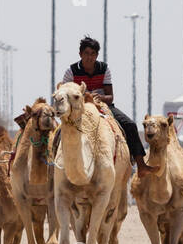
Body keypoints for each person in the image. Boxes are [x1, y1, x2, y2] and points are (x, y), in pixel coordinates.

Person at [60, 36, 153, 174]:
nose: (89, 57)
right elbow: (64, 95)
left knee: (130, 125)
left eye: (93, 54)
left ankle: (140, 164)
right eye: (86, 53)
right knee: (58, 132)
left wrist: (101, 97)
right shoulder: (71, 72)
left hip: (103, 106)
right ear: (80, 54)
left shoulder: (104, 69)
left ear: (97, 55)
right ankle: (55, 163)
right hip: (79, 109)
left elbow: (110, 97)